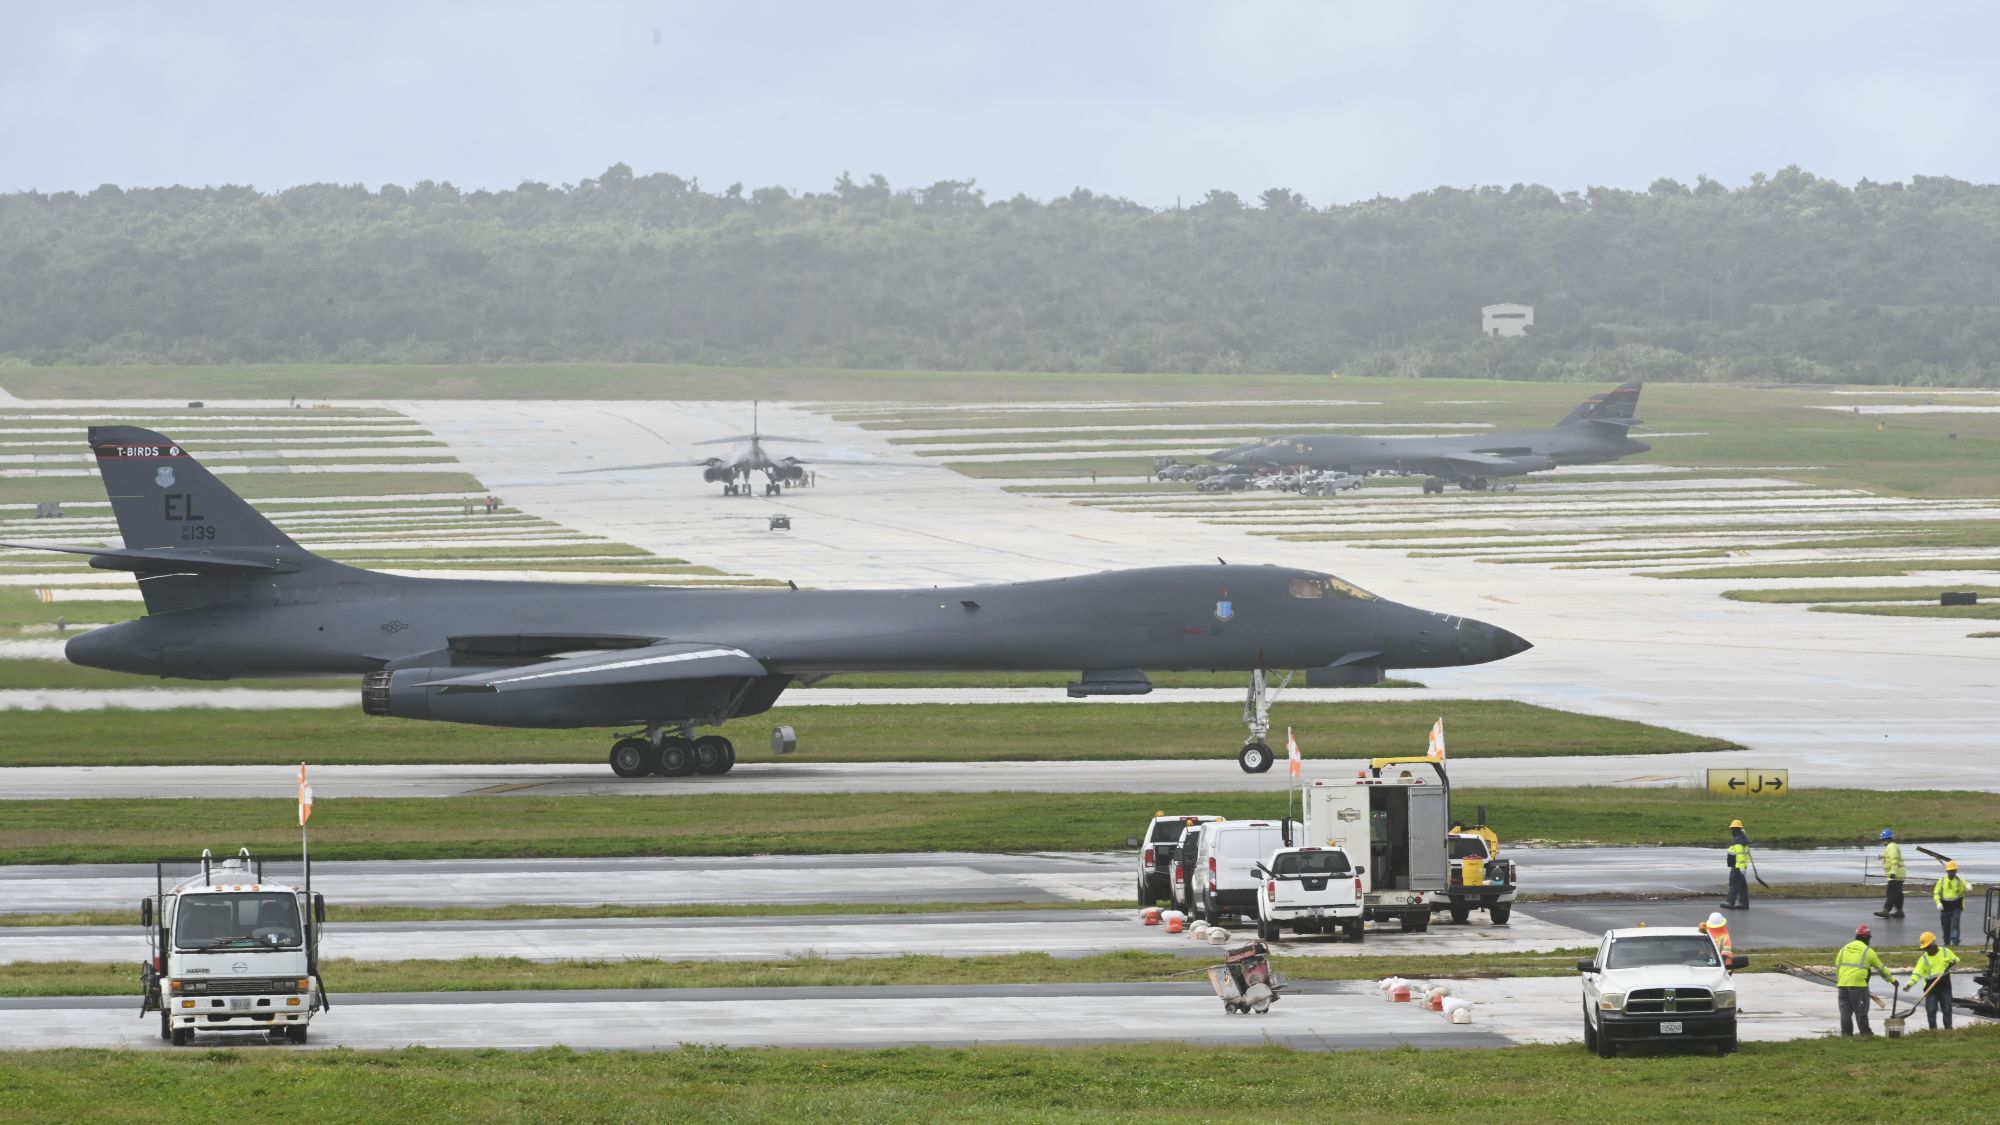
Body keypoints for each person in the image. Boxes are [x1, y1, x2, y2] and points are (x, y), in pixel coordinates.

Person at [1835, 923, 1892, 1036]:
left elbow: (1837, 965)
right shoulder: (1867, 951)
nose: (1869, 941)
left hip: (1842, 985)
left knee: (1845, 1012)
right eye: (1869, 938)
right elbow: (1881, 968)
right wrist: (1892, 980)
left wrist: (1841, 980)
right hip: (1858, 986)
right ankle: (1865, 1033)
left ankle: (1846, 1034)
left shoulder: (1844, 949)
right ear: (1866, 938)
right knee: (1861, 1011)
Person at [1905, 931, 1961, 1031]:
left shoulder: (1945, 951)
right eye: (1925, 948)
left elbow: (1956, 959)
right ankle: (1933, 1031)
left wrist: (1953, 961)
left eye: (1928, 947)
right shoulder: (1923, 959)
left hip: (1945, 986)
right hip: (1931, 989)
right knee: (1931, 1009)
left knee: (1947, 1009)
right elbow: (1917, 973)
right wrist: (1910, 984)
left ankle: (1948, 1029)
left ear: (1933, 943)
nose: (1927, 950)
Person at [1933, 861, 1970, 946]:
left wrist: (1968, 887)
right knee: (1945, 926)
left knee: (1955, 925)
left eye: (1953, 870)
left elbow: (1965, 885)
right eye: (1950, 871)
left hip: (1956, 906)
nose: (1952, 872)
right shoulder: (1941, 881)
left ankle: (1955, 942)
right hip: (1944, 906)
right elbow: (1936, 893)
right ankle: (1946, 942)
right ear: (1947, 871)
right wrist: (1938, 903)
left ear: (1956, 871)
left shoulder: (1959, 881)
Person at [1874, 829, 1905, 919]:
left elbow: (1894, 859)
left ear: (1885, 840)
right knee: (1898, 893)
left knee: (1891, 893)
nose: (1882, 842)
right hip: (1900, 874)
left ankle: (1886, 910)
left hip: (1895, 875)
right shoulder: (1892, 847)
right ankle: (1899, 911)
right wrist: (1882, 856)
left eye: (1882, 840)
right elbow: (1889, 855)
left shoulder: (1891, 847)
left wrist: (1893, 872)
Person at [1722, 819, 1752, 910]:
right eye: (1732, 828)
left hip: (1738, 866)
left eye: (1734, 828)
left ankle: (1730, 902)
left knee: (1734, 883)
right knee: (1742, 885)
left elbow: (1740, 855)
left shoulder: (1739, 840)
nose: (1732, 830)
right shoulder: (1740, 837)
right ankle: (1744, 904)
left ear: (1737, 829)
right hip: (1738, 865)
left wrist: (1742, 867)